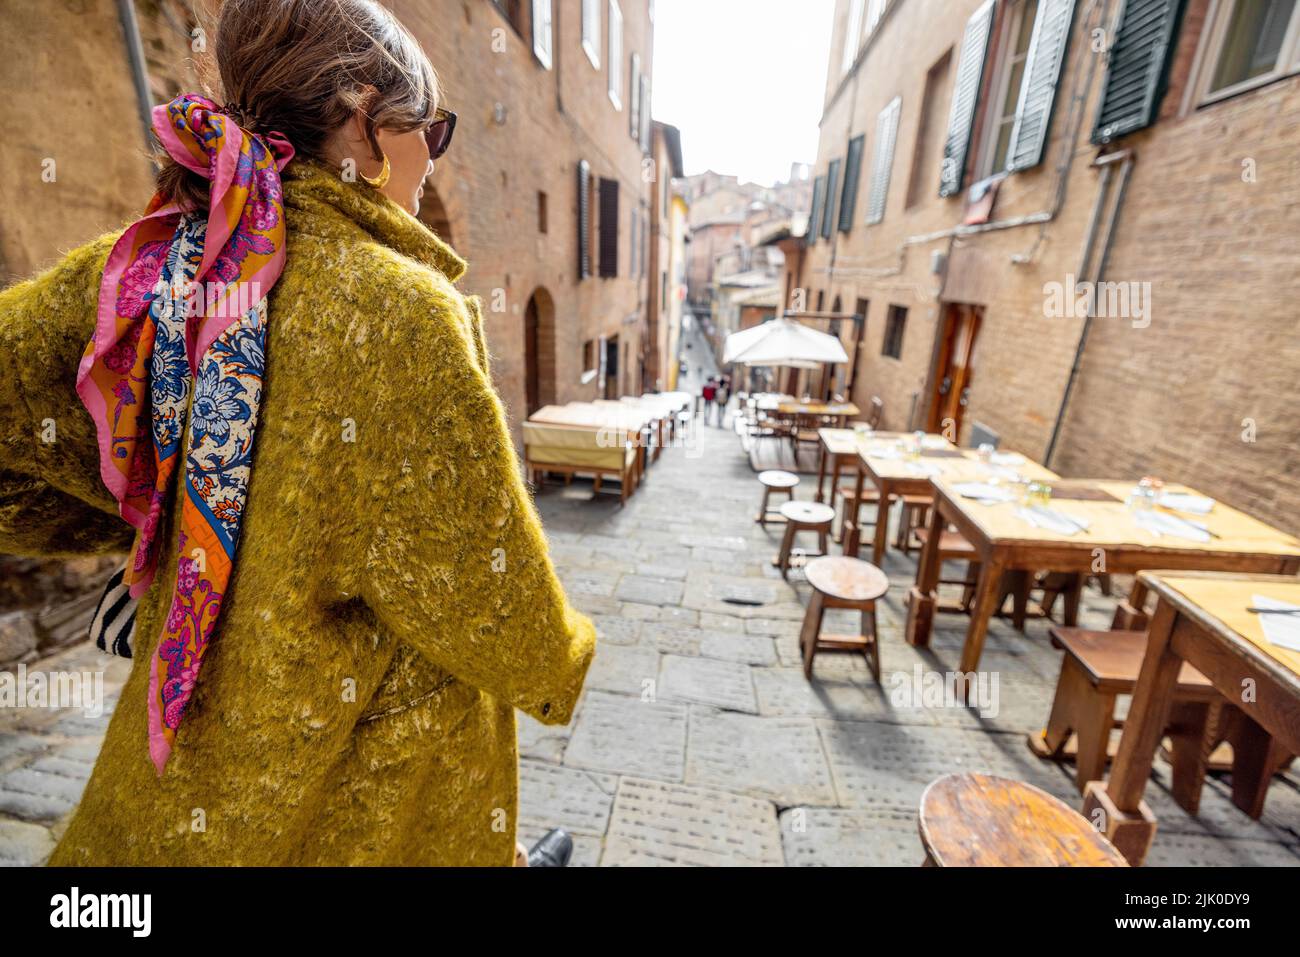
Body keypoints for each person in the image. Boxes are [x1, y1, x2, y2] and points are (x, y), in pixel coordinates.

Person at [0, 0, 593, 866]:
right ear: (363, 114)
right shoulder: (402, 313)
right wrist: (566, 659)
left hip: (187, 778)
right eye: (431, 126)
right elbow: (492, 611)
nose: (433, 152)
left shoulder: (149, 268)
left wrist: (151, 517)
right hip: (360, 783)